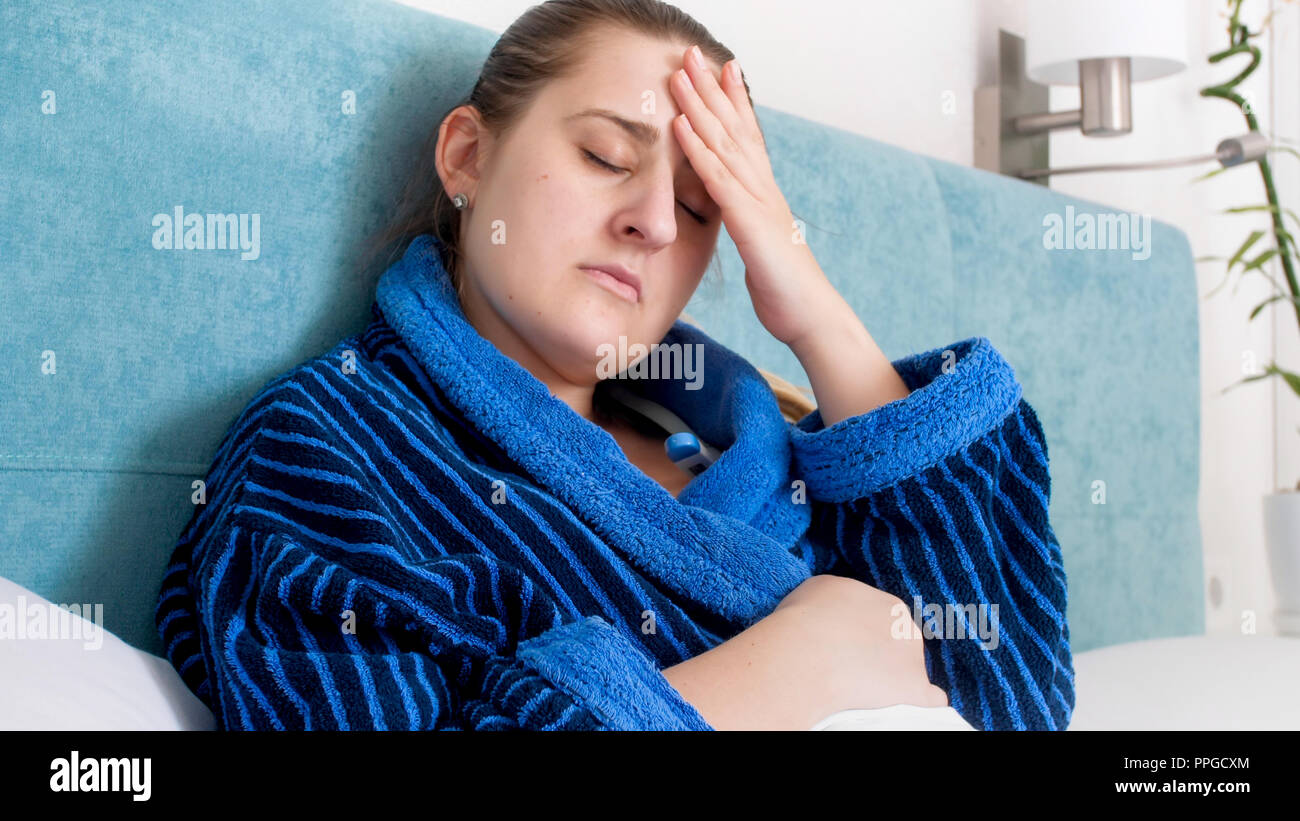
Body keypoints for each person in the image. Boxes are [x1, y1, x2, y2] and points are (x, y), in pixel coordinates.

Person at [155, 0, 1073, 731]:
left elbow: (1015, 697)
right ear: (467, 155)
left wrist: (816, 314)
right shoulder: (324, 446)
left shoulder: (757, 464)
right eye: (605, 156)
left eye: (702, 206)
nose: (658, 224)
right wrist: (795, 666)